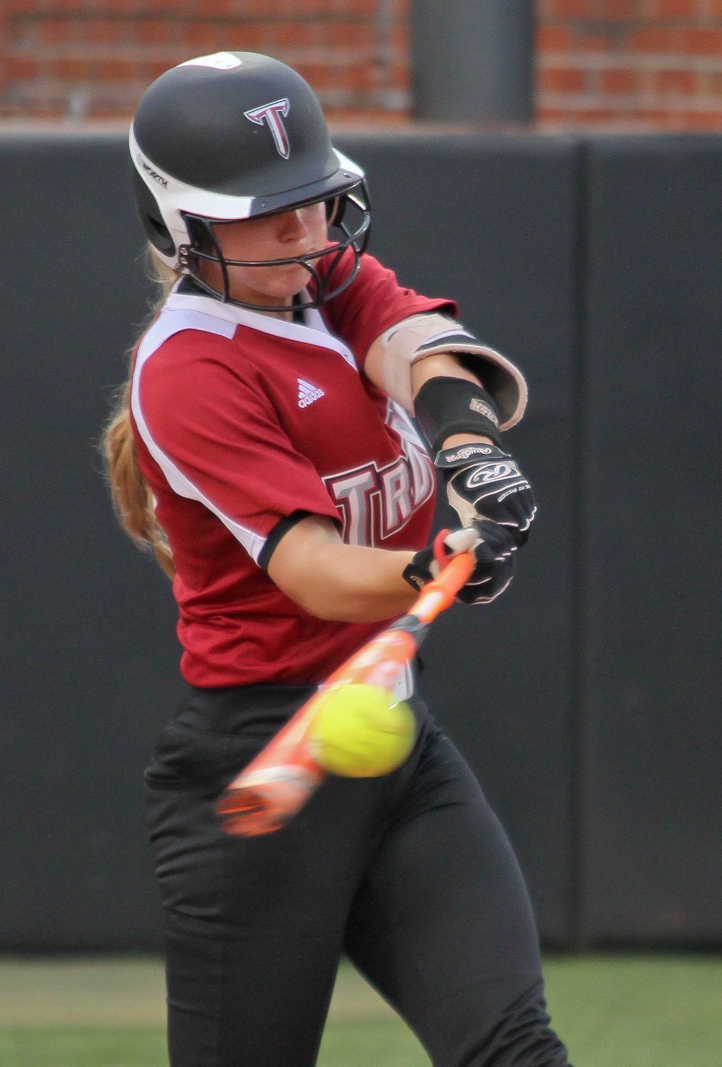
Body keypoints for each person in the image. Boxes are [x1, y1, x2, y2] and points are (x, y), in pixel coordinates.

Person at [103, 51, 571, 1066]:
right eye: (266, 210)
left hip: (394, 741)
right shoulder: (189, 366)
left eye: (313, 199)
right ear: (182, 227)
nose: (304, 229)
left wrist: (468, 450)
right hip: (260, 754)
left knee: (513, 1049)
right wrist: (434, 565)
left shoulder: (325, 278)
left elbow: (419, 346)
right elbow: (311, 569)